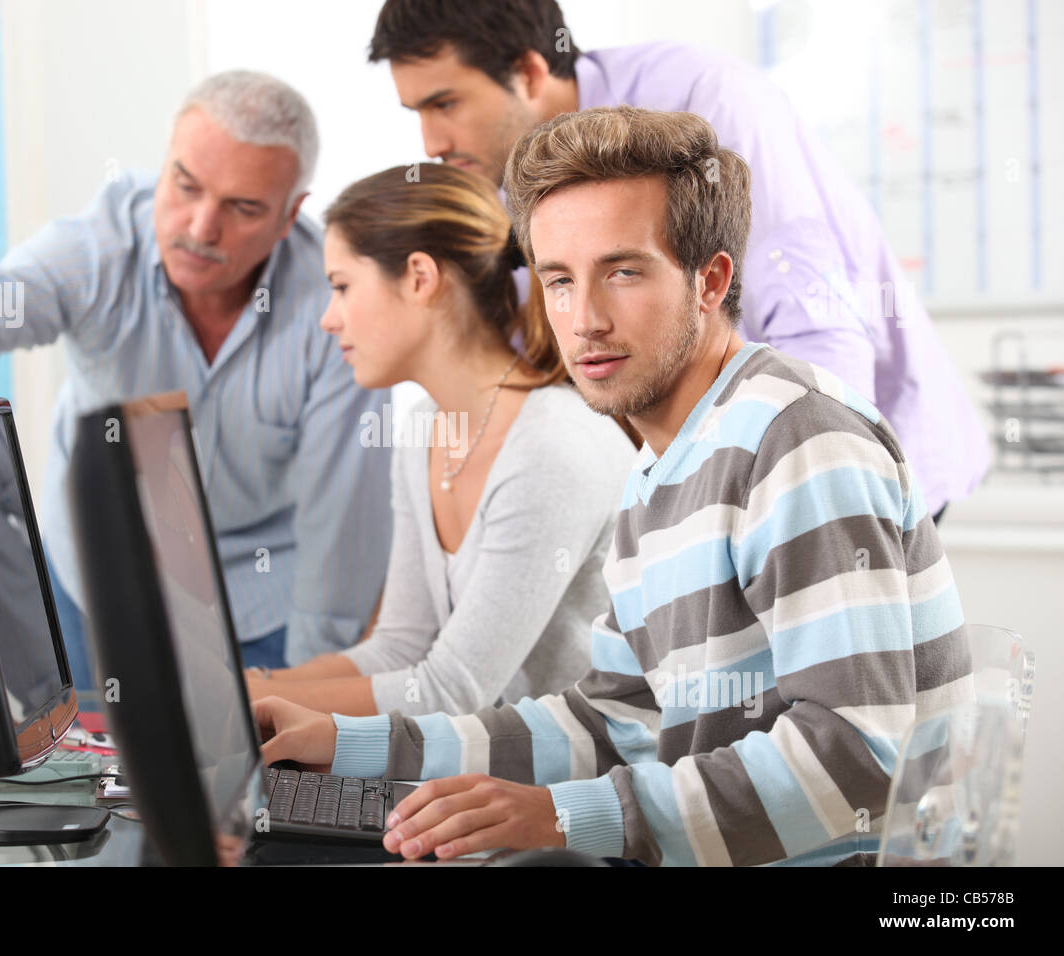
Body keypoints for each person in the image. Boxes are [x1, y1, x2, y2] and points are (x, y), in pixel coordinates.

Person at [253, 106, 973, 866]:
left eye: (623, 272)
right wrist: (353, 743)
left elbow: (855, 753)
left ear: (711, 281)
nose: (585, 319)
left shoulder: (797, 437)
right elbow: (610, 721)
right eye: (560, 280)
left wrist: (564, 816)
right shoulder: (655, 469)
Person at [0, 71, 393, 685]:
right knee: (89, 776)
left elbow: (338, 531)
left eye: (242, 208)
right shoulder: (105, 243)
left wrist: (316, 695)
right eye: (185, 186)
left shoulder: (334, 303)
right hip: (99, 585)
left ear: (290, 217)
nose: (201, 228)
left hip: (257, 601)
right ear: (165, 168)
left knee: (266, 774)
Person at [368, 0, 988, 523]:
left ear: (528, 71)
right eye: (416, 112)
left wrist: (813, 502)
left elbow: (818, 331)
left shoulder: (704, 102)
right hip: (696, 484)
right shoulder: (507, 182)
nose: (431, 142)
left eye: (444, 104)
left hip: (842, 454)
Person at [244, 163, 635, 716]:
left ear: (420, 277)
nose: (328, 319)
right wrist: (255, 686)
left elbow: (449, 691)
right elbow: (400, 647)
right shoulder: (425, 428)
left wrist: (248, 701)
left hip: (582, 788)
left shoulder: (552, 445)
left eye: (341, 287)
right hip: (488, 770)